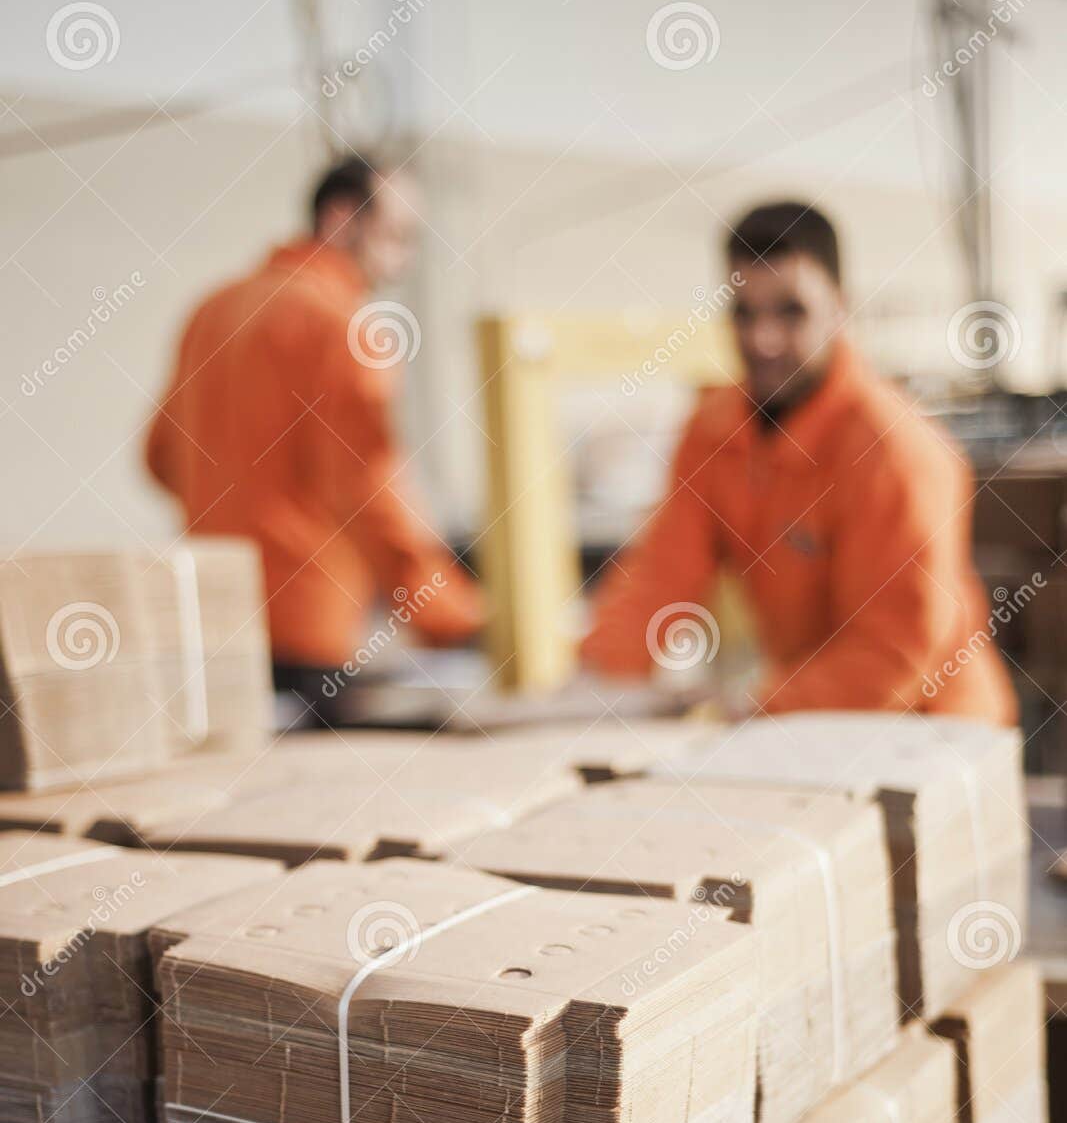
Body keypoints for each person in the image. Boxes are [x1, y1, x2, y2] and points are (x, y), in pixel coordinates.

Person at [581, 201, 1018, 724]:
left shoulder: (897, 452)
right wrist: (593, 687)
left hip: (933, 733)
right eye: (744, 312)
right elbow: (659, 578)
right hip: (808, 728)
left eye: (790, 311)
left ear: (840, 307)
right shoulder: (713, 432)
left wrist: (755, 705)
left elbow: (895, 654)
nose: (762, 338)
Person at [145, 154, 483, 709]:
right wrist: (447, 613)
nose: (402, 263)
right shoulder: (341, 327)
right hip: (309, 631)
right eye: (396, 237)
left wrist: (236, 502)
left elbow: (158, 458)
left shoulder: (212, 311)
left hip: (217, 625)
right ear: (342, 219)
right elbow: (368, 490)